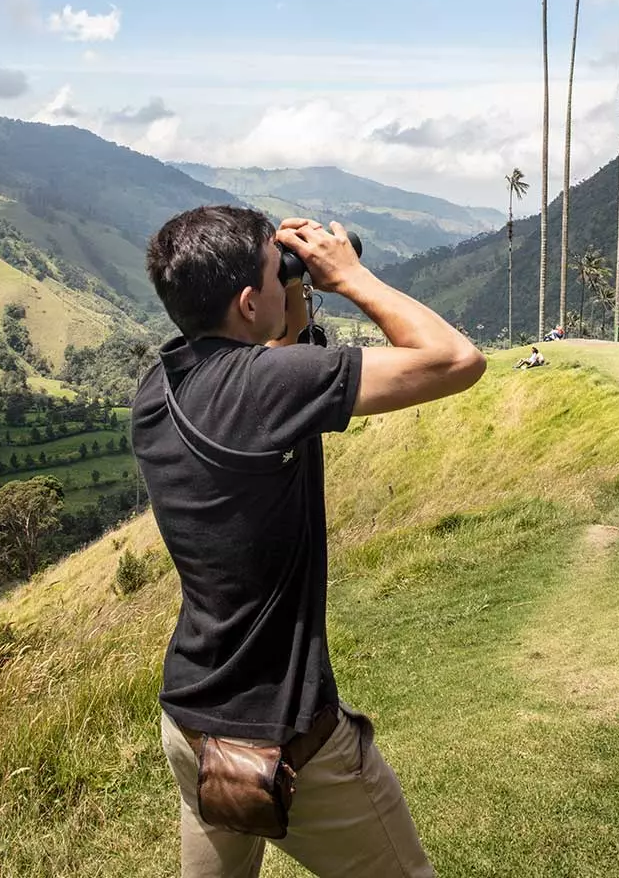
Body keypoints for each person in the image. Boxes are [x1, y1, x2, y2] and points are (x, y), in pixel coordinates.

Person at [132, 207, 485, 877]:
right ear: (246, 300)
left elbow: (267, 358)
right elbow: (456, 360)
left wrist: (283, 287)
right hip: (289, 742)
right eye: (276, 272)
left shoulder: (159, 390)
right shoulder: (269, 392)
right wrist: (348, 275)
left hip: (192, 723)